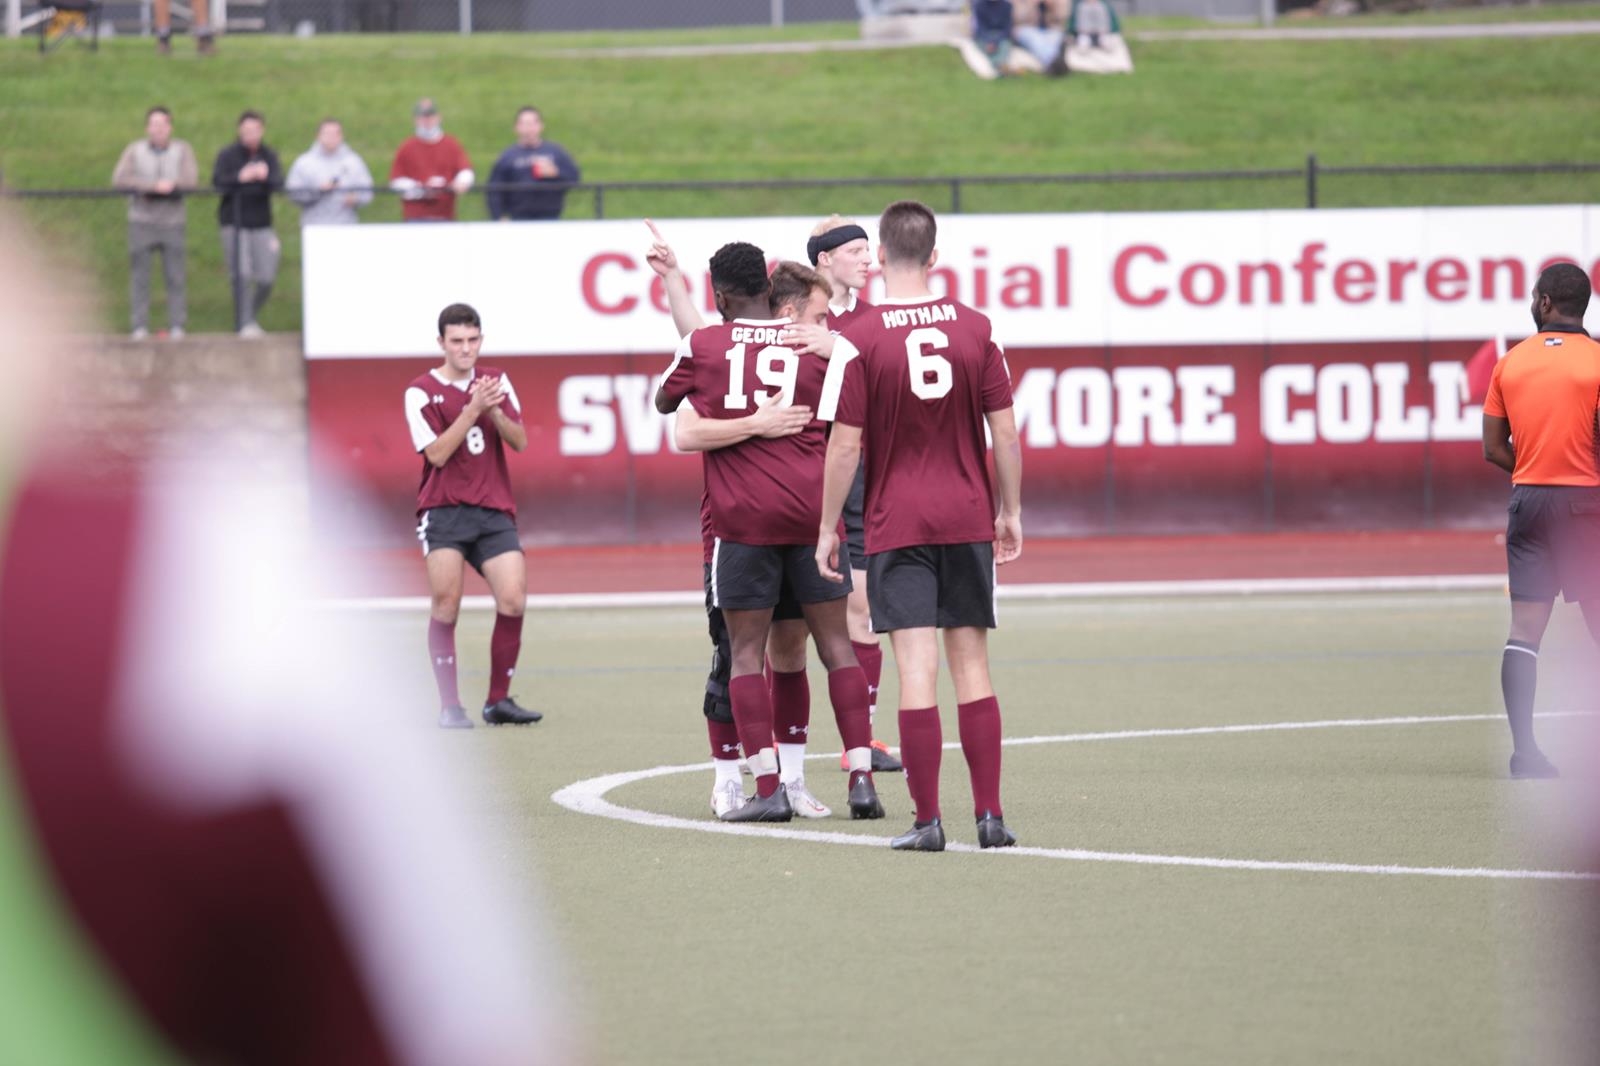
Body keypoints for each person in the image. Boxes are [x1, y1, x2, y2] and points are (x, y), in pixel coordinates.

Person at [815, 200, 1023, 852]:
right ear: (935, 257)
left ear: (878, 257)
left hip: (896, 520)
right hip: (964, 515)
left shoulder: (860, 338)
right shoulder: (975, 327)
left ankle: (928, 821)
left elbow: (844, 446)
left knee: (914, 670)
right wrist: (1009, 509)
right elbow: (1005, 431)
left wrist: (827, 526)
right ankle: (989, 816)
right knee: (974, 668)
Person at [656, 242, 883, 824]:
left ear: (721, 295)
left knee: (745, 655)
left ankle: (767, 788)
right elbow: (849, 415)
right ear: (771, 288)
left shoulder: (704, 343)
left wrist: (735, 415)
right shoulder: (814, 343)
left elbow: (666, 400)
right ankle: (861, 776)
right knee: (834, 649)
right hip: (811, 518)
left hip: (743, 520)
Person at [1480, 262, 1600, 780]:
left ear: (1546, 303)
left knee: (1524, 633)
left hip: (1527, 502)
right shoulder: (1598, 361)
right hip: (1586, 506)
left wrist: (1533, 470)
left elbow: (1491, 448)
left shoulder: (1510, 363)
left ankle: (1525, 754)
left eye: (1535, 297)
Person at [793, 215, 903, 775]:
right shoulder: (793, 312)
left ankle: (863, 742)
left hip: (858, 477)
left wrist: (834, 345)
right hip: (796, 475)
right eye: (855, 249)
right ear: (823, 260)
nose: (868, 259)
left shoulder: (871, 321)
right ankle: (766, 749)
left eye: (869, 250)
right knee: (781, 630)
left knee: (862, 612)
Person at [406, 303, 540, 730]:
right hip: (444, 511)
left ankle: (498, 701)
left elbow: (519, 441)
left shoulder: (496, 382)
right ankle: (450, 705)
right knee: (447, 604)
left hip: (493, 508)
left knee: (514, 598)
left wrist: (494, 409)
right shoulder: (421, 391)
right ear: (441, 343)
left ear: (481, 340)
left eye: (472, 340)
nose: (466, 349)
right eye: (457, 341)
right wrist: (471, 408)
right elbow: (437, 453)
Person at [112, 106, 198, 341]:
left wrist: (171, 186)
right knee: (140, 276)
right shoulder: (134, 150)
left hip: (173, 222)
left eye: (163, 124)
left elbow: (191, 180)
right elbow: (120, 179)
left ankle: (177, 326)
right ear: (147, 128)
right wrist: (151, 187)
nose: (158, 129)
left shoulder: (183, 150)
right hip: (142, 221)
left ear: (170, 127)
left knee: (176, 276)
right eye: (154, 124)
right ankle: (139, 326)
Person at [211, 110, 282, 338]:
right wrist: (240, 177)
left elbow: (279, 183)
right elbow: (218, 183)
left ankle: (247, 318)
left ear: (262, 130)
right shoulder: (228, 155)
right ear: (239, 131)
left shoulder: (269, 155)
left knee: (266, 277)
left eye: (255, 130)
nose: (250, 134)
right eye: (246, 130)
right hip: (234, 221)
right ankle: (244, 324)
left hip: (262, 222)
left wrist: (264, 176)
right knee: (240, 274)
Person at [486, 107, 581, 222]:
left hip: (550, 217)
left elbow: (574, 178)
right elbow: (494, 189)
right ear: (517, 128)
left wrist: (556, 173)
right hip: (518, 218)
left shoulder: (555, 152)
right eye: (525, 124)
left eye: (533, 123)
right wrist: (498, 216)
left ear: (541, 126)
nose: (529, 128)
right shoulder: (507, 157)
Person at [390, 98, 474, 223]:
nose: (427, 121)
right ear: (415, 120)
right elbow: (396, 182)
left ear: (438, 117)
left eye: (430, 116)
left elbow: (466, 171)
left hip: (445, 216)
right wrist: (422, 190)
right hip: (416, 217)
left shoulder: (451, 144)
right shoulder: (407, 147)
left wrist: (461, 182)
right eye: (422, 117)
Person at [285, 118, 374, 227]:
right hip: (314, 227)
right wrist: (318, 192)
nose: (332, 138)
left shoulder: (354, 162)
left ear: (341, 136)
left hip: (346, 226)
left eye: (336, 134)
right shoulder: (304, 163)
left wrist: (356, 198)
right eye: (327, 134)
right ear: (318, 136)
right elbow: (293, 193)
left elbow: (368, 191)